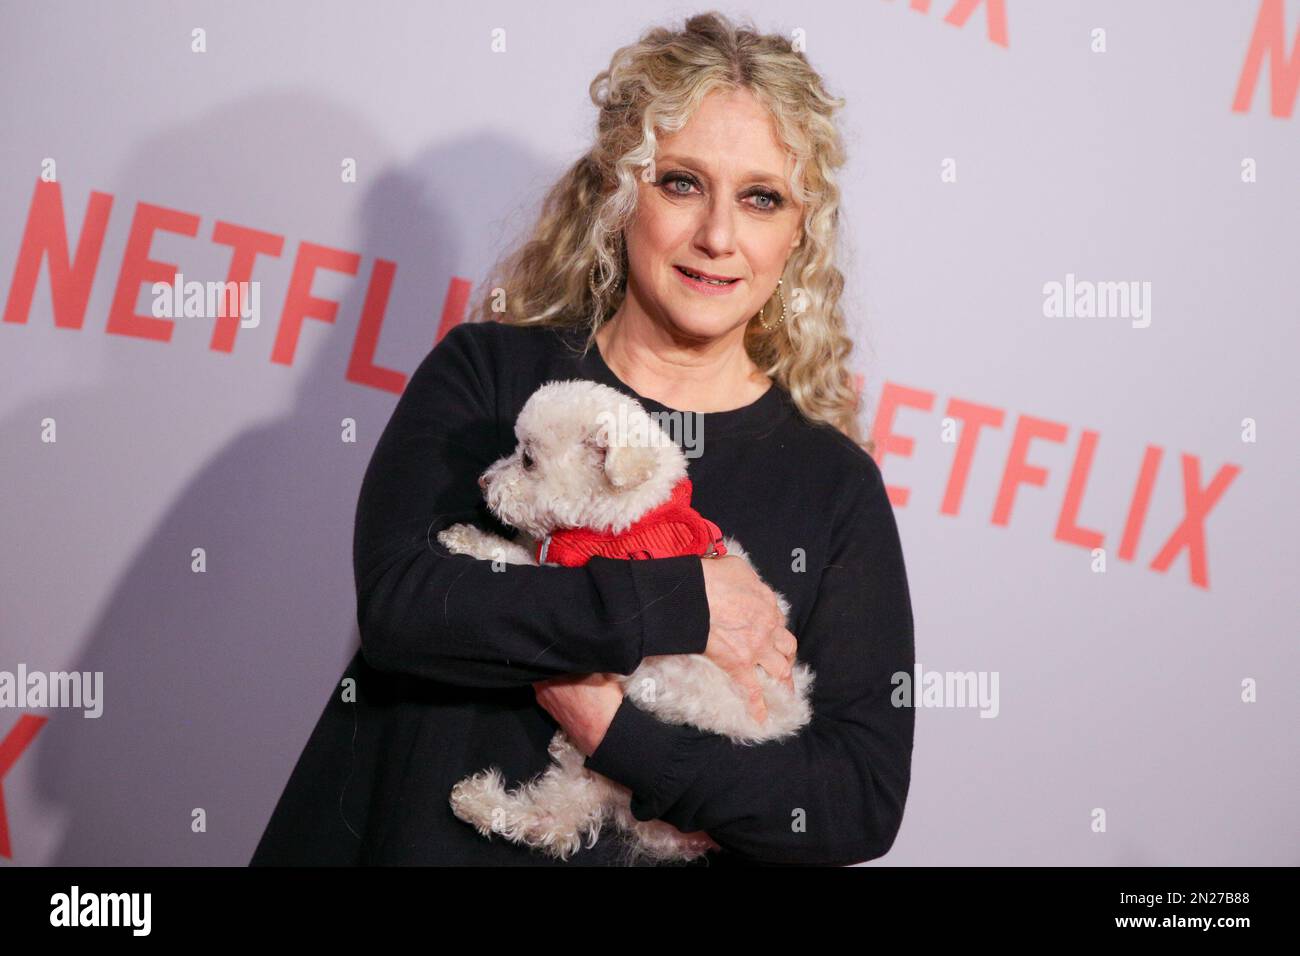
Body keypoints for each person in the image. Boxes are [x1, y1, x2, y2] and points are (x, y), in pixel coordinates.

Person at [251, 11, 914, 867]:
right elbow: (404, 610)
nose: (718, 235)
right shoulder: (491, 378)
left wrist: (615, 734)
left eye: (761, 197)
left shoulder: (831, 485)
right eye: (681, 182)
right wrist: (683, 605)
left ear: (798, 232)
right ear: (619, 190)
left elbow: (855, 803)